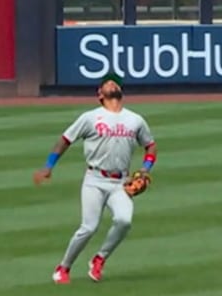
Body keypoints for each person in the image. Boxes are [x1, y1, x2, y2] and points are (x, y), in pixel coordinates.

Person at [34, 73, 157, 284]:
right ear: (99, 94)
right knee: (88, 227)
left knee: (124, 221)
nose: (111, 83)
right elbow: (64, 141)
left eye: (115, 82)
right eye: (106, 83)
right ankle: (64, 267)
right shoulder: (89, 117)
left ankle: (99, 259)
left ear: (121, 91)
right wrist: (48, 166)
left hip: (120, 182)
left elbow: (151, 146)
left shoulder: (135, 120)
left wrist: (145, 169)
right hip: (95, 180)